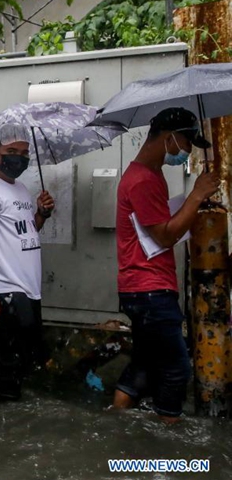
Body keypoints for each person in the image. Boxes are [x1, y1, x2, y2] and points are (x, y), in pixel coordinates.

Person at [113, 108, 219, 422]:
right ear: (169, 138)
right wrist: (196, 195)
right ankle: (167, 440)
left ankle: (115, 422)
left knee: (144, 365)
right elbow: (165, 236)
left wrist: (193, 204)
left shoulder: (149, 174)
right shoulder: (142, 180)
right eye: (186, 143)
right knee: (175, 370)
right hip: (150, 290)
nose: (187, 151)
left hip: (143, 288)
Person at [0, 123, 55, 401]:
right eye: (12, 151)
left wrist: (41, 214)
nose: (20, 157)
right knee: (10, 358)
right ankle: (3, 415)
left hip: (26, 286)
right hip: (2, 287)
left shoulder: (21, 189)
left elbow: (27, 231)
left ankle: (5, 406)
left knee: (24, 355)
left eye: (24, 152)